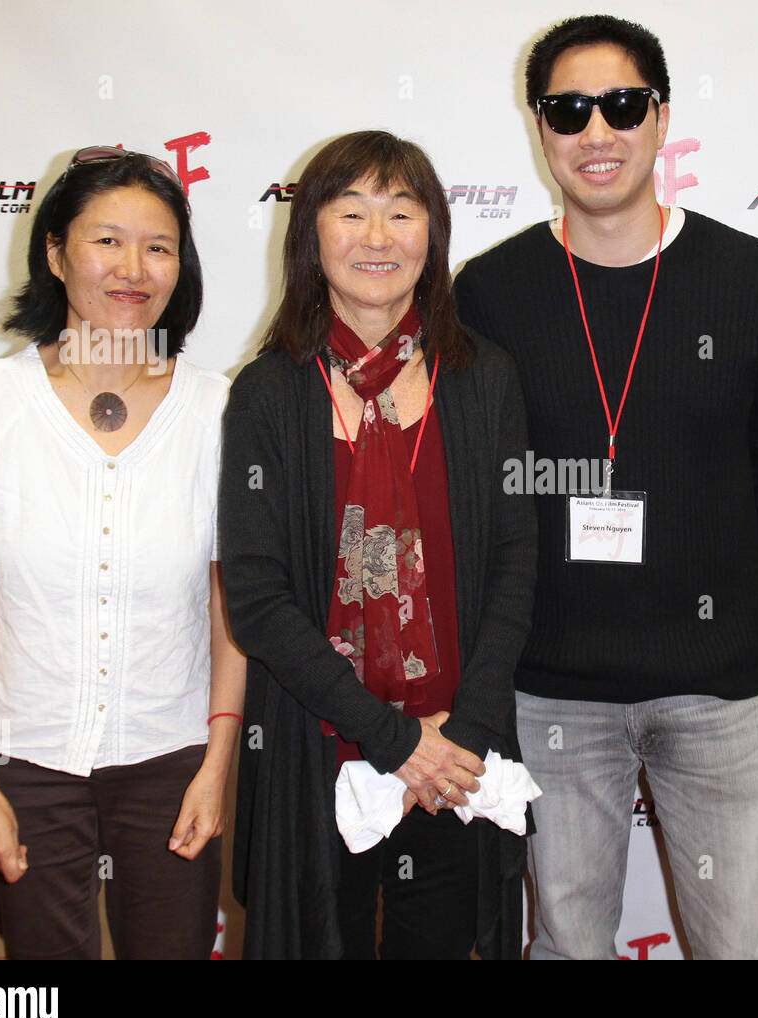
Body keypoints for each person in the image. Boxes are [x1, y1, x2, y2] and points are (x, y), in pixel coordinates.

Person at [454, 15, 758, 960]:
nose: (596, 132)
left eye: (621, 105)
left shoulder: (750, 278)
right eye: (568, 110)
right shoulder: (489, 291)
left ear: (660, 119)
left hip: (721, 686)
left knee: (738, 940)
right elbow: (472, 501)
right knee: (569, 940)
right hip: (553, 689)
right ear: (540, 130)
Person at [0, 147, 242, 960]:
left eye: (159, 247)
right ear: (56, 253)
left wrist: (216, 766)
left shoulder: (219, 409)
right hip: (23, 762)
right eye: (107, 241)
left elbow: (230, 602)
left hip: (170, 761)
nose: (134, 268)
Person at [219, 130, 537, 960]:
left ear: (432, 235)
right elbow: (255, 596)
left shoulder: (483, 377)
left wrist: (462, 733)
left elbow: (514, 562)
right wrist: (394, 742)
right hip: (320, 745)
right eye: (350, 211)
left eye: (402, 211)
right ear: (310, 234)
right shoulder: (268, 393)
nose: (377, 236)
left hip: (457, 750)